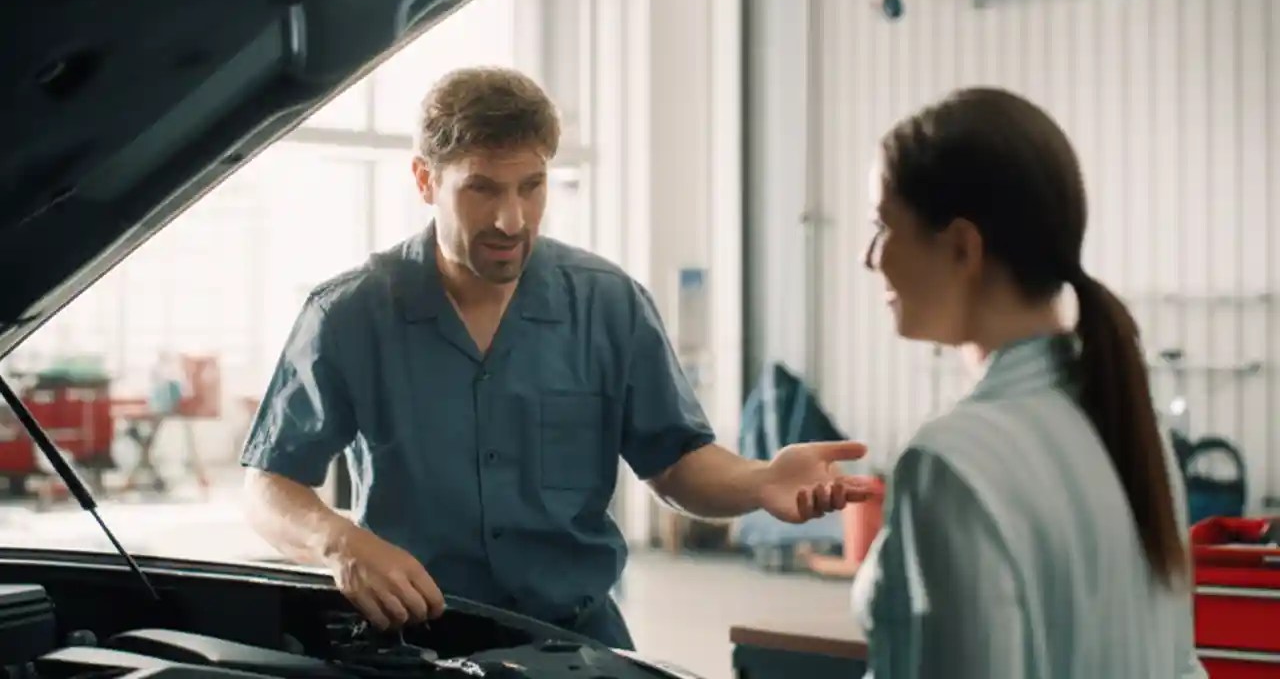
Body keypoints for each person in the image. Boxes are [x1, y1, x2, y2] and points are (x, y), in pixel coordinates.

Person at [240, 66, 875, 649]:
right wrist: (339, 543)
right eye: (482, 189)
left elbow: (675, 463)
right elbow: (269, 485)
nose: (511, 220)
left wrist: (759, 481)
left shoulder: (610, 305)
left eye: (532, 186)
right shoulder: (349, 315)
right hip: (413, 646)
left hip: (577, 645)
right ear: (425, 179)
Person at [851, 87, 1205, 678]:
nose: (871, 258)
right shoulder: (1134, 433)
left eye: (883, 227)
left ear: (963, 246)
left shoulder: (950, 463)